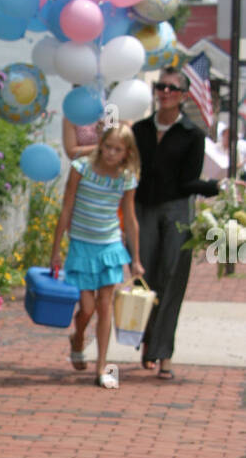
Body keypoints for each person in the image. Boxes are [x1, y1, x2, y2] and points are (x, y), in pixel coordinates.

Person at [132, 69, 216, 380]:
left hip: (178, 209)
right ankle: (148, 340)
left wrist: (215, 188)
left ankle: (163, 350)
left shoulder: (192, 135)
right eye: (160, 86)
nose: (164, 91)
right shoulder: (139, 129)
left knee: (172, 276)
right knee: (146, 278)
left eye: (171, 88)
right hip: (143, 208)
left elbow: (189, 181)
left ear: (182, 95)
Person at [50, 123, 143, 389]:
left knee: (105, 306)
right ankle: (78, 337)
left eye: (118, 149)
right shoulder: (82, 169)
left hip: (110, 245)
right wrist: (56, 250)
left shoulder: (126, 178)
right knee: (87, 308)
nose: (111, 153)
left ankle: (101, 367)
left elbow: (130, 219)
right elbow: (66, 208)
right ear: (100, 145)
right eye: (108, 147)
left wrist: (135, 258)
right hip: (82, 244)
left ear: (126, 153)